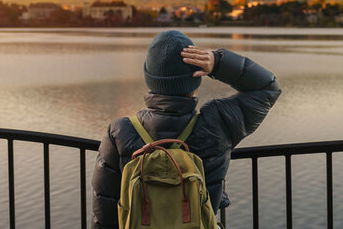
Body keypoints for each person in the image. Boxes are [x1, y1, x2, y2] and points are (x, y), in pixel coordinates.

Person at [91, 30, 282, 228]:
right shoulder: (216, 124)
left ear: (150, 78)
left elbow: (103, 207)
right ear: (196, 76)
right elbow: (268, 88)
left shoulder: (119, 132)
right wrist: (218, 63)